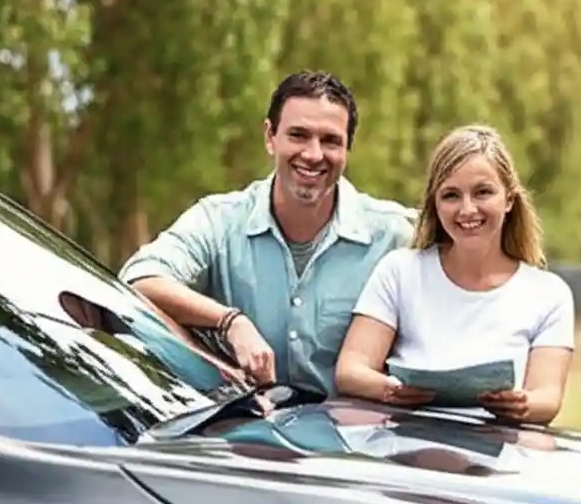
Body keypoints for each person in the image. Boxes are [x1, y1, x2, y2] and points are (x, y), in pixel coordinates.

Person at [117, 71, 415, 398]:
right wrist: (230, 322)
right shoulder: (220, 220)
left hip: (354, 440)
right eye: (298, 135)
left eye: (330, 140)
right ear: (270, 137)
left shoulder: (395, 235)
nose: (314, 154)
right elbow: (139, 278)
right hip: (242, 436)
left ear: (348, 149)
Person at [334, 124, 575, 424]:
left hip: (501, 455)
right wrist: (389, 389)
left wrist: (521, 404)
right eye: (451, 195)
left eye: (483, 192)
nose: (467, 209)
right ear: (435, 204)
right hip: (405, 449)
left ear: (509, 200)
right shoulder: (399, 271)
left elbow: (547, 397)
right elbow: (350, 369)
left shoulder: (548, 293)